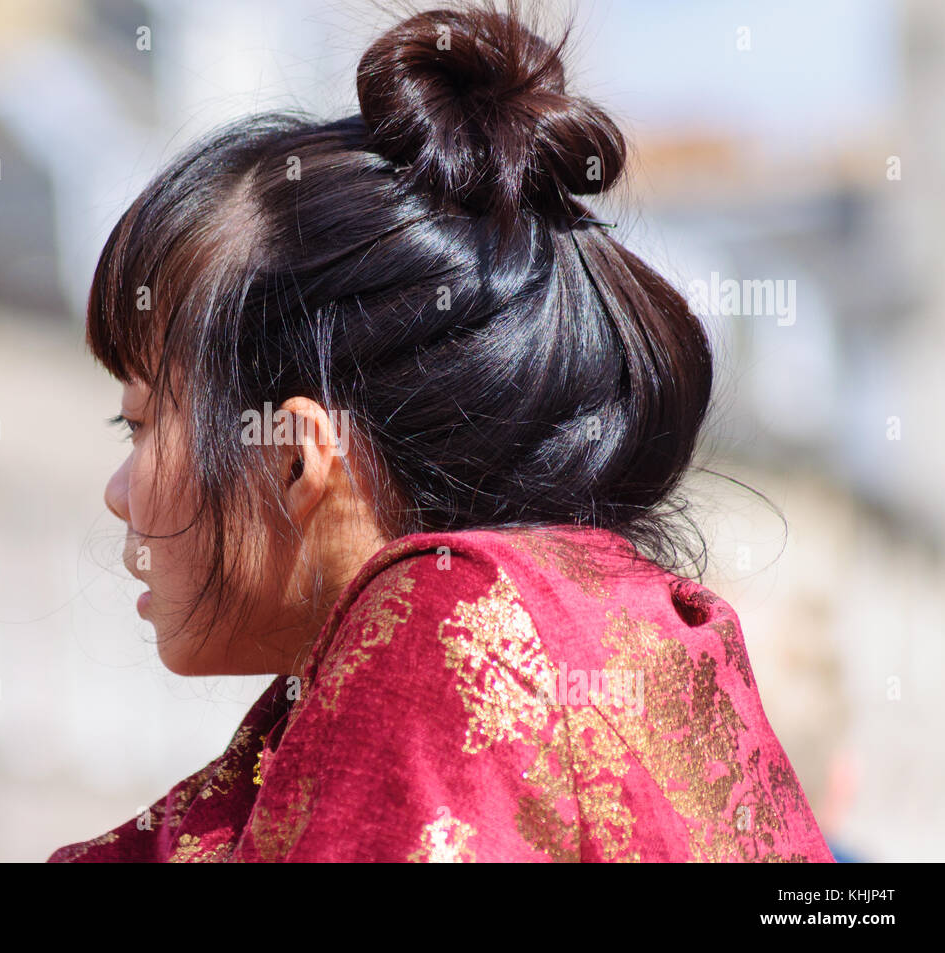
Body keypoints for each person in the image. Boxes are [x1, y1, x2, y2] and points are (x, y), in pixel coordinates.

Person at [49, 0, 835, 862]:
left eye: (140, 423)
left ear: (294, 458)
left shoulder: (447, 628)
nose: (118, 492)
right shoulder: (627, 632)